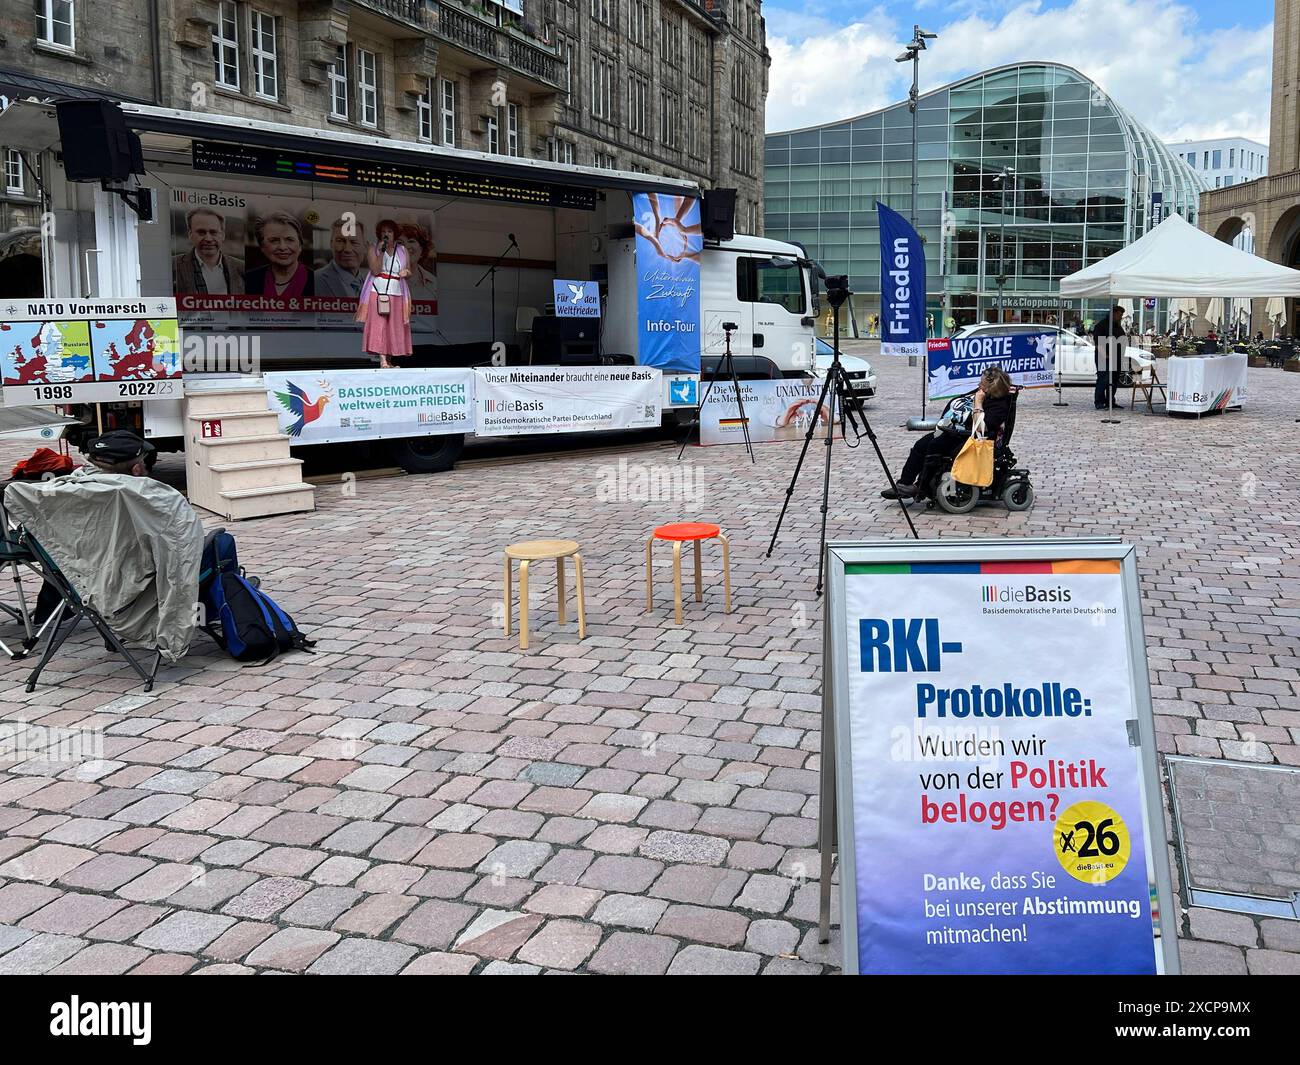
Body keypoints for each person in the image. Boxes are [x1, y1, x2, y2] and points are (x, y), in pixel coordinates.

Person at [881, 367, 1014, 499]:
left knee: (934, 446)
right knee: (921, 445)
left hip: (973, 438)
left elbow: (980, 428)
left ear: (992, 388)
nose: (979, 386)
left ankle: (923, 486)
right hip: (955, 430)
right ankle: (904, 483)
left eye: (982, 384)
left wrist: (978, 401)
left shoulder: (999, 405)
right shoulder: (983, 392)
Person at [356, 218, 412, 368]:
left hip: (398, 291)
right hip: (378, 290)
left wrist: (406, 272)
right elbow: (375, 270)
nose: (386, 234)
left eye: (389, 231)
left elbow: (408, 270)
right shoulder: (373, 248)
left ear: (395, 234)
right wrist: (381, 251)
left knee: (394, 326)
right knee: (380, 324)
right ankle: (382, 360)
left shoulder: (402, 250)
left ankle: (390, 360)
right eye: (383, 232)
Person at [172, 208, 245, 295]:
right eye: (201, 232)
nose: (208, 239)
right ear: (190, 234)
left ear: (222, 235)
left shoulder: (242, 268)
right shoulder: (172, 266)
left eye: (213, 232)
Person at [244, 211, 314, 299]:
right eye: (274, 240)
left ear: (300, 245)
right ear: (262, 246)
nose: (282, 247)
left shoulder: (317, 281)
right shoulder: (248, 280)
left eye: (289, 239)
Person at [314, 217, 368, 299]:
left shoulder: (372, 284)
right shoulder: (315, 281)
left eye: (354, 242)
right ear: (331, 244)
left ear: (365, 246)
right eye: (340, 241)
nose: (347, 249)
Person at [1090, 303, 1128, 410]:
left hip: (1116, 357)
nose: (1120, 317)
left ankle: (1110, 401)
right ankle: (1099, 401)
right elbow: (1098, 342)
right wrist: (1105, 355)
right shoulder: (1102, 325)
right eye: (1119, 315)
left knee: (1114, 381)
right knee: (1103, 379)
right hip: (1104, 358)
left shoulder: (1117, 326)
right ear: (1113, 314)